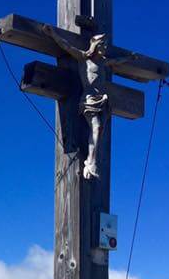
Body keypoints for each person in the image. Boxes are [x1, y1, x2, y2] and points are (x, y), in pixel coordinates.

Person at [41, 24, 138, 179]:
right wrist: (52, 34)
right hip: (89, 100)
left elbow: (117, 61)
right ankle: (91, 162)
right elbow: (66, 46)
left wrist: (130, 58)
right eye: (102, 45)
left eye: (105, 45)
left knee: (100, 131)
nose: (104, 48)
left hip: (103, 101)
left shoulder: (104, 63)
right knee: (96, 126)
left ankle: (92, 160)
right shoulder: (83, 58)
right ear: (95, 46)